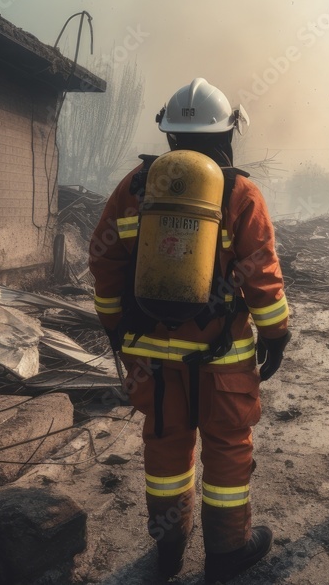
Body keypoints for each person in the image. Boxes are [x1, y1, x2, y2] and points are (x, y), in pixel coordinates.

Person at [89, 78, 290, 582]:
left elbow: (104, 260)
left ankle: (168, 548)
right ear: (225, 133)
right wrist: (276, 334)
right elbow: (262, 271)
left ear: (169, 133)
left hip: (151, 360)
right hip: (220, 358)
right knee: (226, 447)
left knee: (164, 447)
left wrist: (115, 327)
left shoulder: (134, 188)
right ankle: (226, 553)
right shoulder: (240, 192)